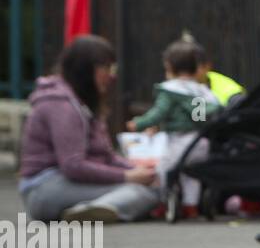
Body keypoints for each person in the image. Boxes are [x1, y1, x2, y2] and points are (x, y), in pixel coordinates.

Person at [18, 35, 160, 223]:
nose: (111, 76)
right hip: (44, 189)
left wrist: (138, 169)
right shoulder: (63, 105)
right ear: (85, 70)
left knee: (149, 188)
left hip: (63, 185)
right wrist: (127, 176)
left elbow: (106, 157)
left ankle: (89, 210)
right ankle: (94, 210)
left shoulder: (81, 103)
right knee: (141, 192)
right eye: (107, 68)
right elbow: (73, 166)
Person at [126, 39, 220, 219]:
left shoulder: (171, 90)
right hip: (201, 142)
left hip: (180, 141)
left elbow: (158, 113)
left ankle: (162, 201)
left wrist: (139, 123)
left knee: (165, 169)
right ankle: (191, 207)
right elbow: (199, 116)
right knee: (191, 174)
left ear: (169, 67)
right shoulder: (200, 91)